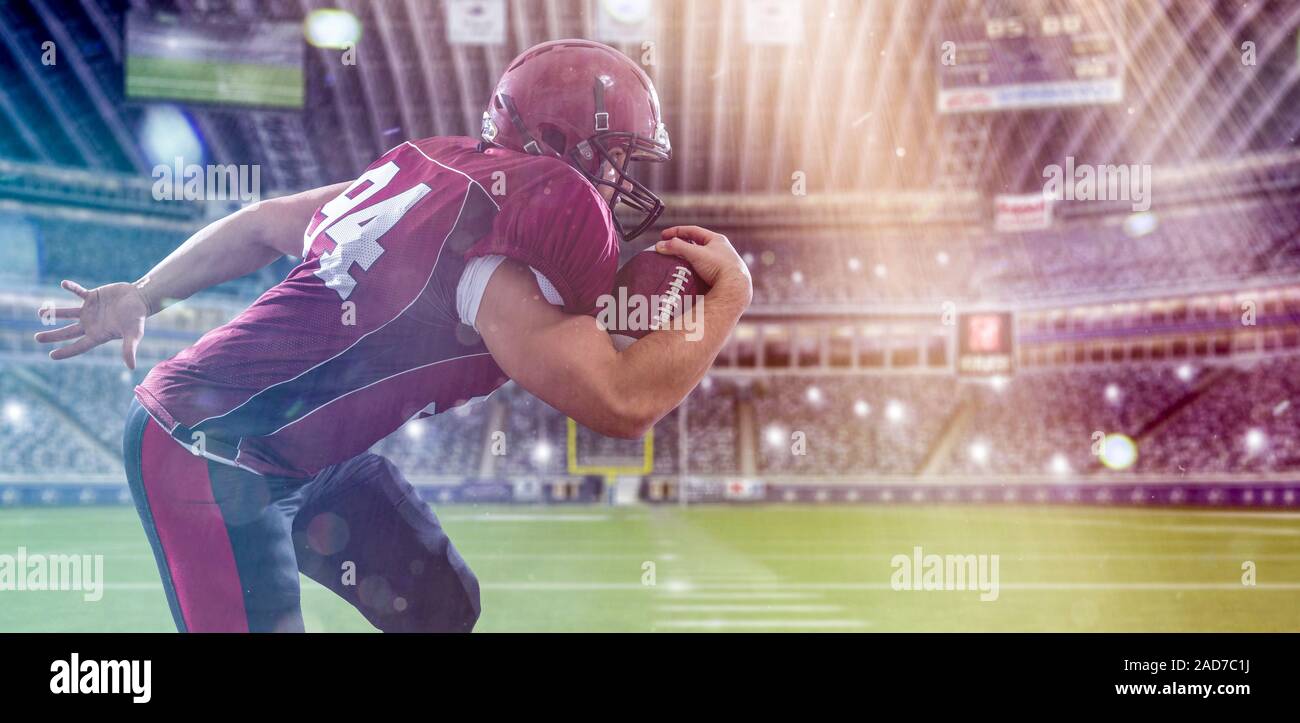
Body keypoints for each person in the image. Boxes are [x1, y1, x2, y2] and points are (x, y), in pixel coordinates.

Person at [34, 39, 751, 632]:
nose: (621, 181)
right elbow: (621, 400)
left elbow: (260, 221)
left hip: (297, 452)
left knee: (438, 606)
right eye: (613, 158)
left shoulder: (428, 180)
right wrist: (731, 297)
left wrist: (144, 293)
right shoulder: (489, 264)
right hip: (206, 448)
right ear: (558, 144)